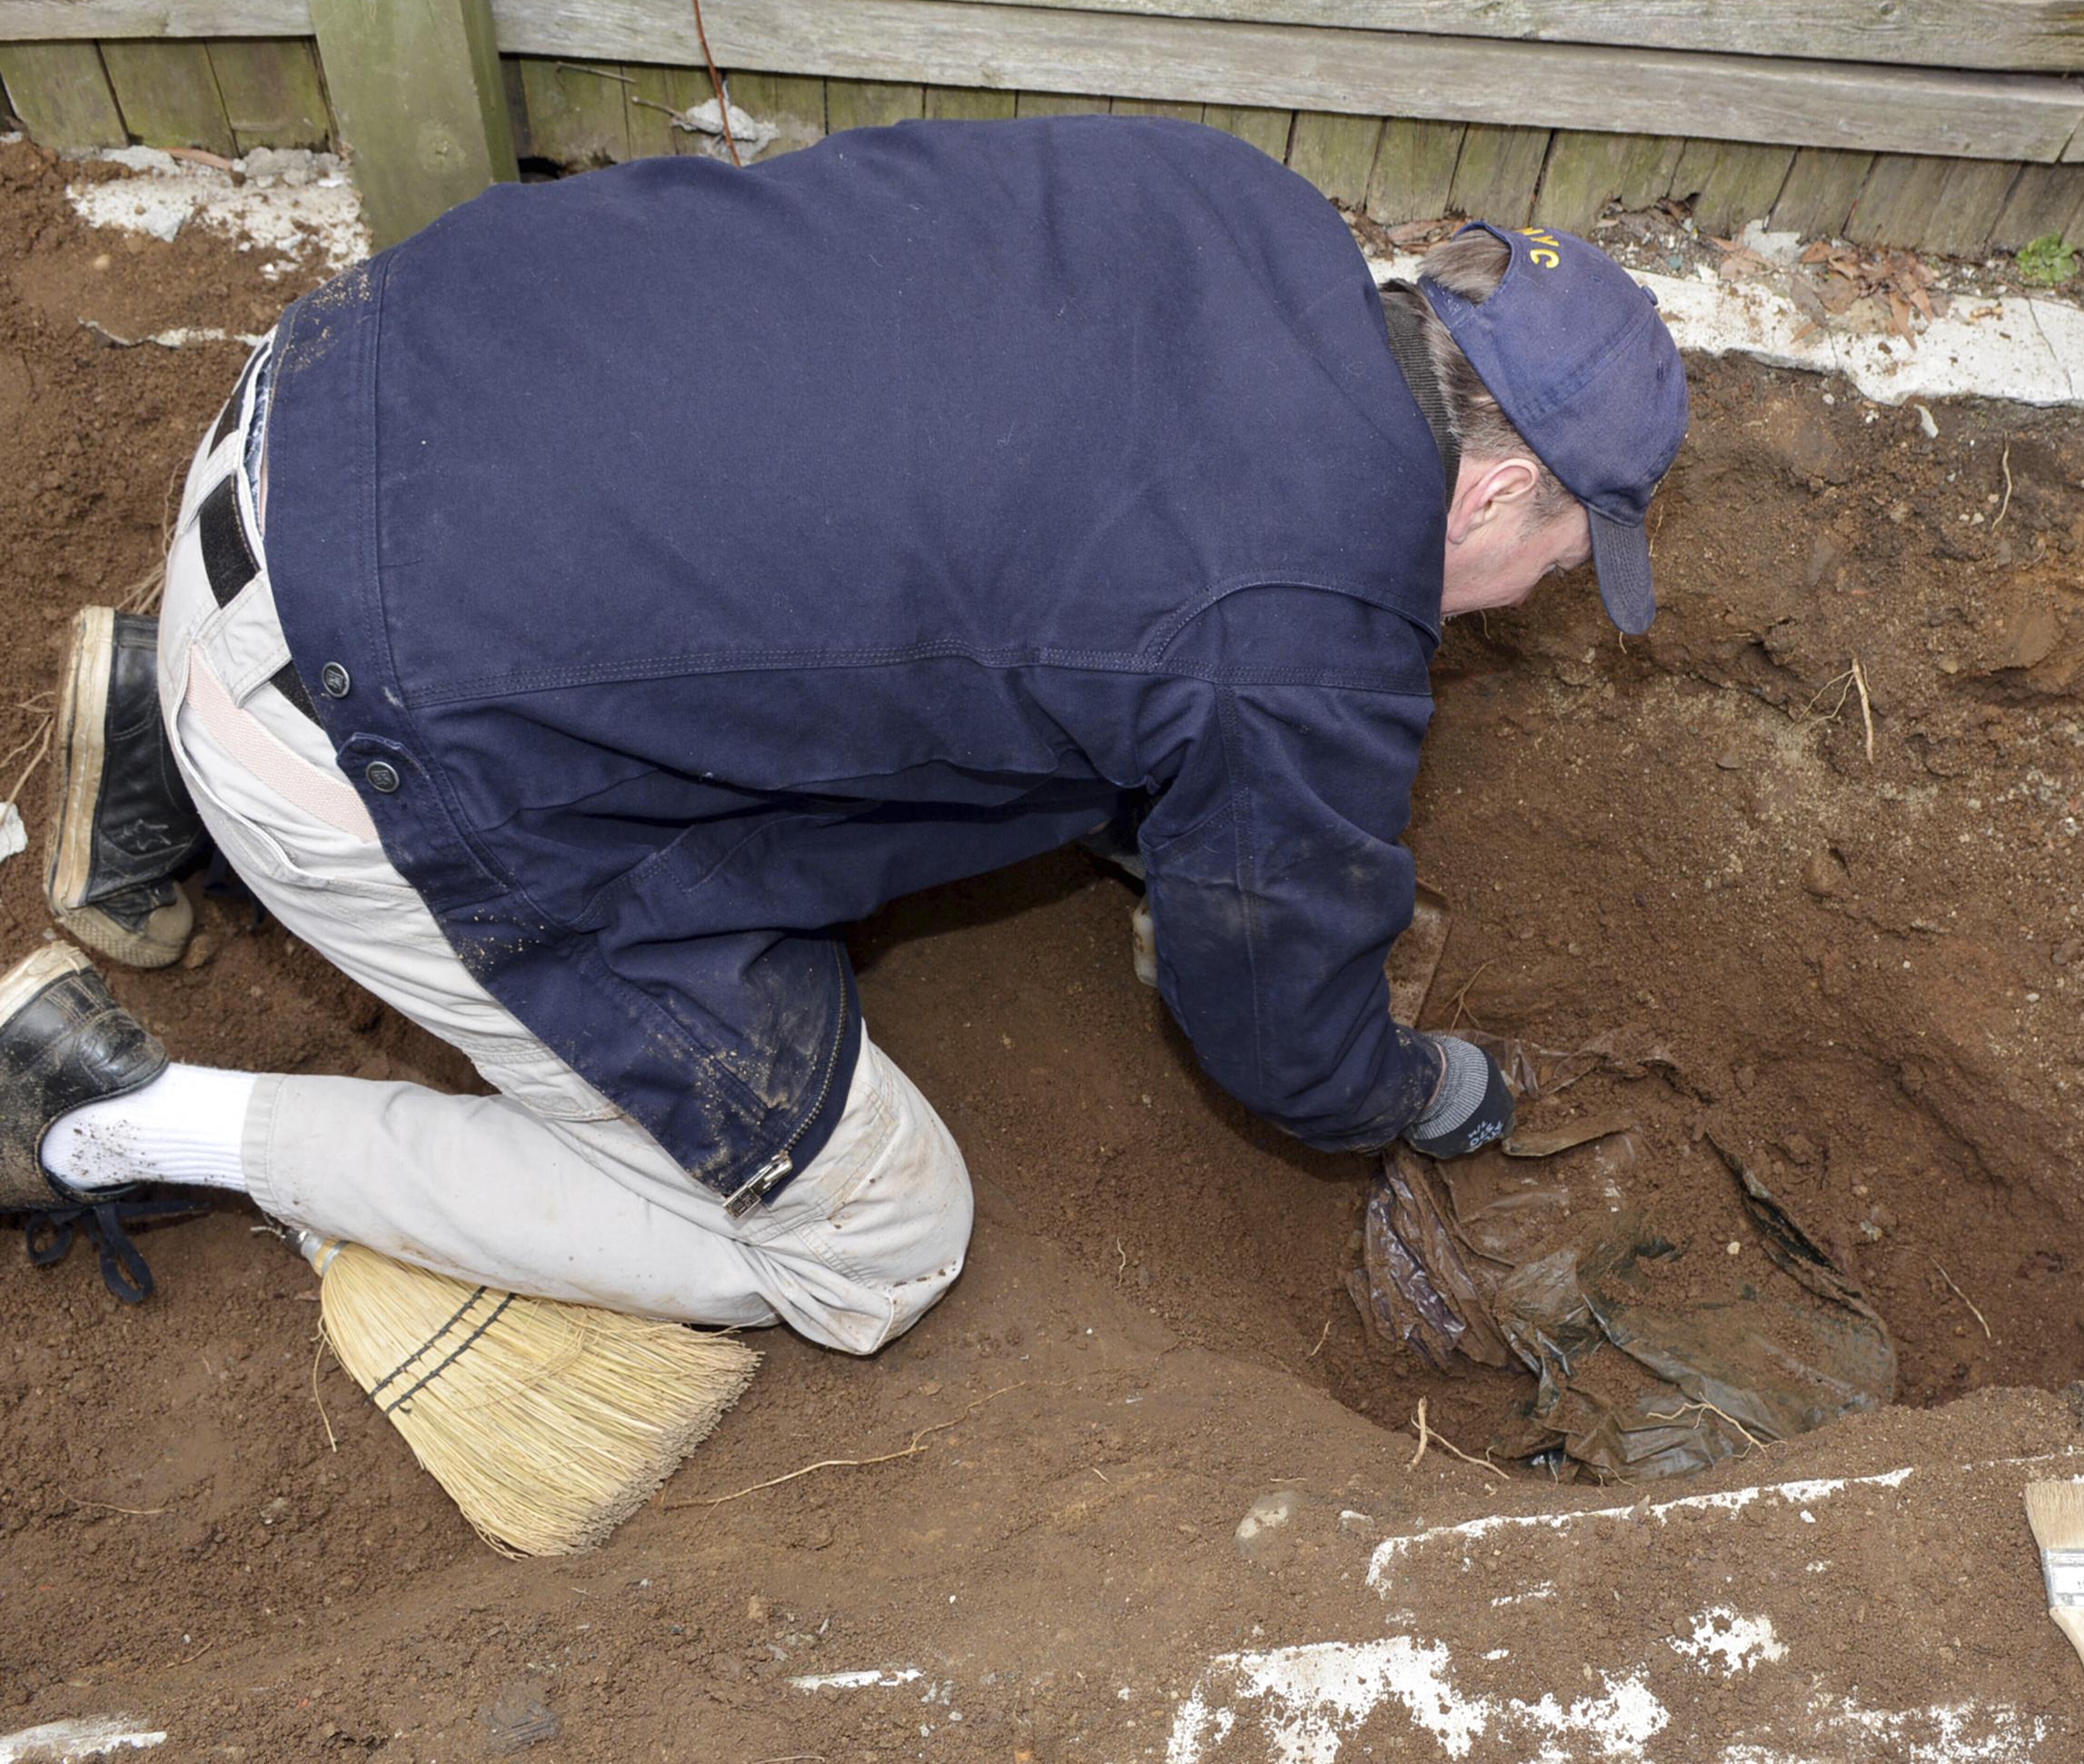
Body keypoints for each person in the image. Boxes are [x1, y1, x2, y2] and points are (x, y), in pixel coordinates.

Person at [0, 116, 1687, 1343]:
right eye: (1564, 551)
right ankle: (115, 1116)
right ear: (1502, 484)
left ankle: (167, 708)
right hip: (376, 727)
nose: (1546, 593)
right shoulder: (1301, 647)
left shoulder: (1233, 201)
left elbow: (1003, 509)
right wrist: (1417, 1090)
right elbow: (1280, 1031)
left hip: (347, 392)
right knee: (876, 1252)